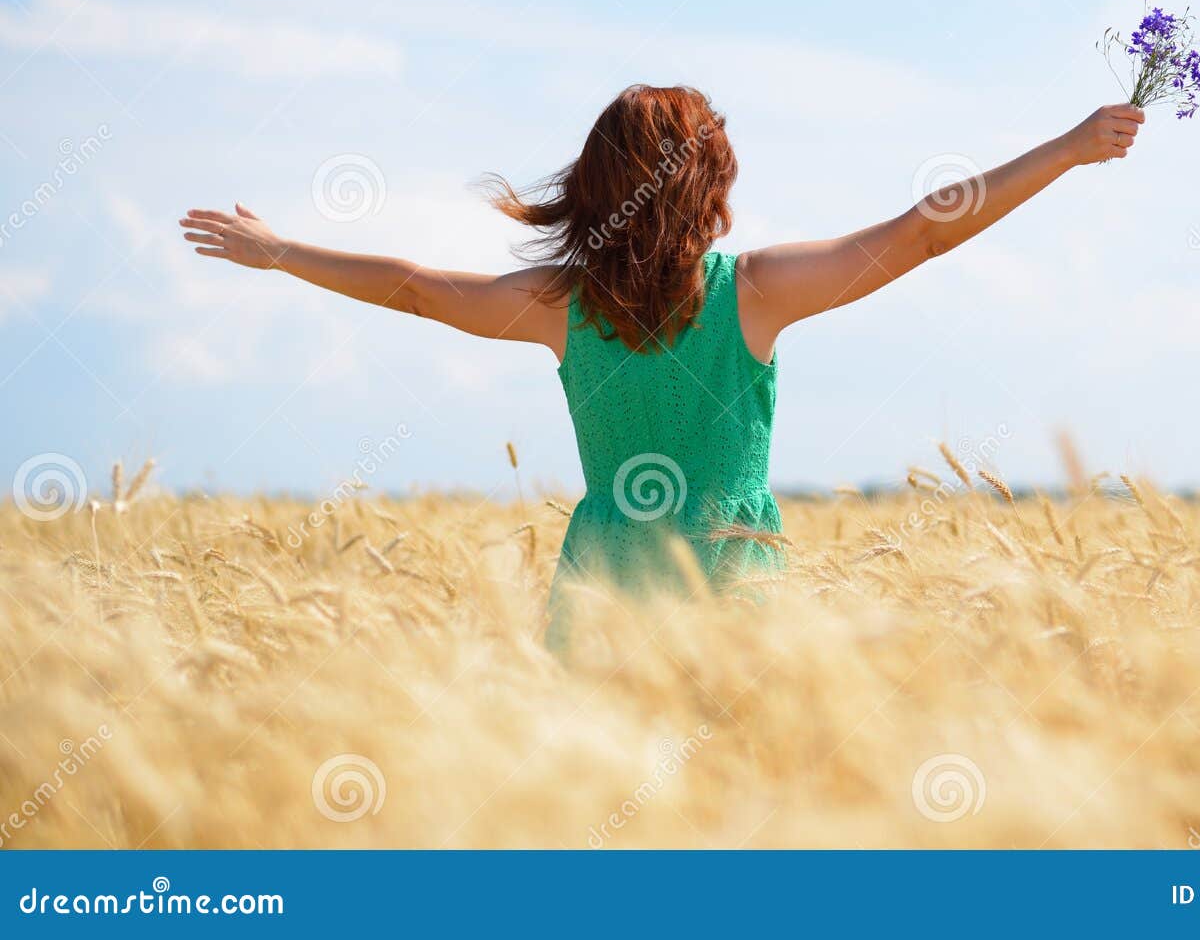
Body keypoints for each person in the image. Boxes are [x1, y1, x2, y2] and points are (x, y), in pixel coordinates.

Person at [179, 84, 1143, 635]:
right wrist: (1065, 148)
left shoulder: (559, 306)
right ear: (710, 187)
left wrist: (283, 252)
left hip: (601, 595)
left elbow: (420, 288)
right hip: (737, 597)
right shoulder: (756, 291)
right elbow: (922, 233)